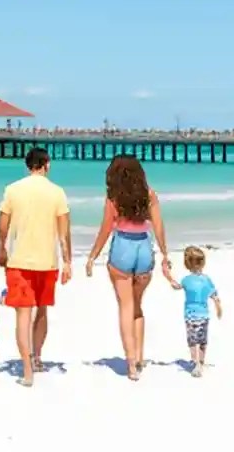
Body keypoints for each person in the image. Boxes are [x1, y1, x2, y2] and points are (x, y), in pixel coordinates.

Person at [83, 155, 171, 381]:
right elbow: (159, 227)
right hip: (143, 248)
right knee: (137, 306)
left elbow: (105, 230)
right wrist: (164, 254)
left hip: (122, 248)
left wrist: (93, 256)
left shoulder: (114, 197)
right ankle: (140, 357)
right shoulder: (149, 195)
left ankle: (131, 364)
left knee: (125, 307)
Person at [0, 147, 71, 387]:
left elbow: (2, 226)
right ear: (46, 164)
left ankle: (27, 370)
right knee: (42, 311)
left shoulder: (12, 189)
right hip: (47, 261)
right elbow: (64, 232)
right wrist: (68, 261)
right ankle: (38, 357)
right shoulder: (57, 192)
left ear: (28, 166)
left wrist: (1, 250)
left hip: (18, 261)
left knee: (23, 315)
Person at [167, 246, 223, 377]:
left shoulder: (186, 280)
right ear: (202, 262)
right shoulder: (206, 280)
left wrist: (168, 275)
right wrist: (218, 306)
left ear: (187, 264)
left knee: (193, 341)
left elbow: (176, 286)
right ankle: (201, 362)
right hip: (204, 315)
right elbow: (214, 295)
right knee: (202, 340)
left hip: (190, 316)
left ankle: (196, 363)